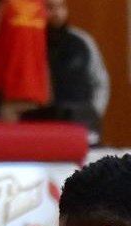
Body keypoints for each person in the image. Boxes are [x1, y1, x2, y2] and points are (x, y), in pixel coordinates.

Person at [0, 0, 50, 114]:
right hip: (1, 95)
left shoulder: (40, 2)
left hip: (37, 95)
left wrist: (48, 94)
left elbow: (40, 51)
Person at [45, 0, 109, 136]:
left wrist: (94, 112)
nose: (57, 13)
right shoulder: (33, 43)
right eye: (49, 8)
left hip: (81, 122)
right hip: (44, 123)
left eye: (61, 7)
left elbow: (100, 81)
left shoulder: (82, 41)